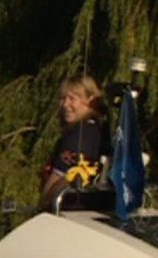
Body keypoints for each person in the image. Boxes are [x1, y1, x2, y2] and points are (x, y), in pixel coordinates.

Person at [39, 74, 110, 211]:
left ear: (90, 100)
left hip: (68, 211)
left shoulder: (80, 135)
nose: (65, 104)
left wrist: (42, 208)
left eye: (72, 98)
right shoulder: (99, 129)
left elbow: (55, 182)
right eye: (63, 98)